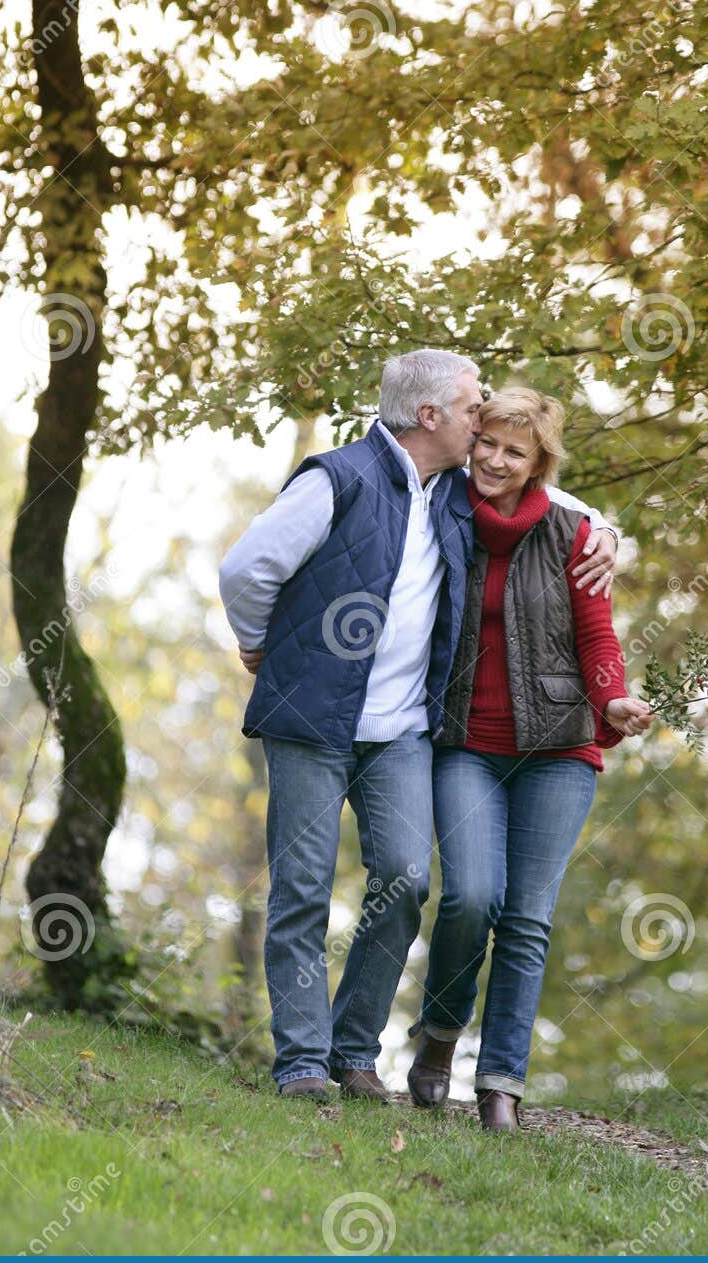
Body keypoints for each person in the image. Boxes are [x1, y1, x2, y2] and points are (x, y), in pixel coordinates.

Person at [218, 350, 618, 1102]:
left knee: (404, 880)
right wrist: (259, 642)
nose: (484, 418)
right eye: (474, 407)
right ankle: (303, 1062)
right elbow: (246, 569)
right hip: (310, 720)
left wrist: (607, 531)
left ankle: (352, 1050)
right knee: (302, 889)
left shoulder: (452, 494)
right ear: (430, 416)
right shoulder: (335, 478)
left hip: (401, 732)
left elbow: (544, 500)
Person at [406, 387, 652, 1131]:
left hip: (559, 746)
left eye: (515, 452)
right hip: (465, 741)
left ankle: (501, 1085)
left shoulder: (573, 531)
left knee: (525, 917)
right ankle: (439, 1039)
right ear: (472, 437)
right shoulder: (441, 507)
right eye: (488, 443)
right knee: (470, 896)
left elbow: (595, 635)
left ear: (538, 463)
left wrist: (612, 700)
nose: (494, 460)